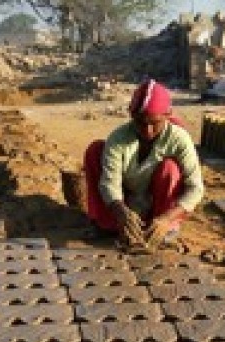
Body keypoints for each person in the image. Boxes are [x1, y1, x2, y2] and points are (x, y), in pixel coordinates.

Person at [83, 79, 205, 249]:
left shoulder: (180, 139)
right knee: (95, 150)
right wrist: (121, 212)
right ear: (132, 117)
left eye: (154, 124)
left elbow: (196, 188)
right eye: (140, 123)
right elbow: (109, 183)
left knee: (170, 168)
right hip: (127, 200)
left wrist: (166, 219)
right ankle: (107, 224)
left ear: (167, 115)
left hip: (160, 205)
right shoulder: (119, 138)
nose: (147, 131)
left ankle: (162, 230)